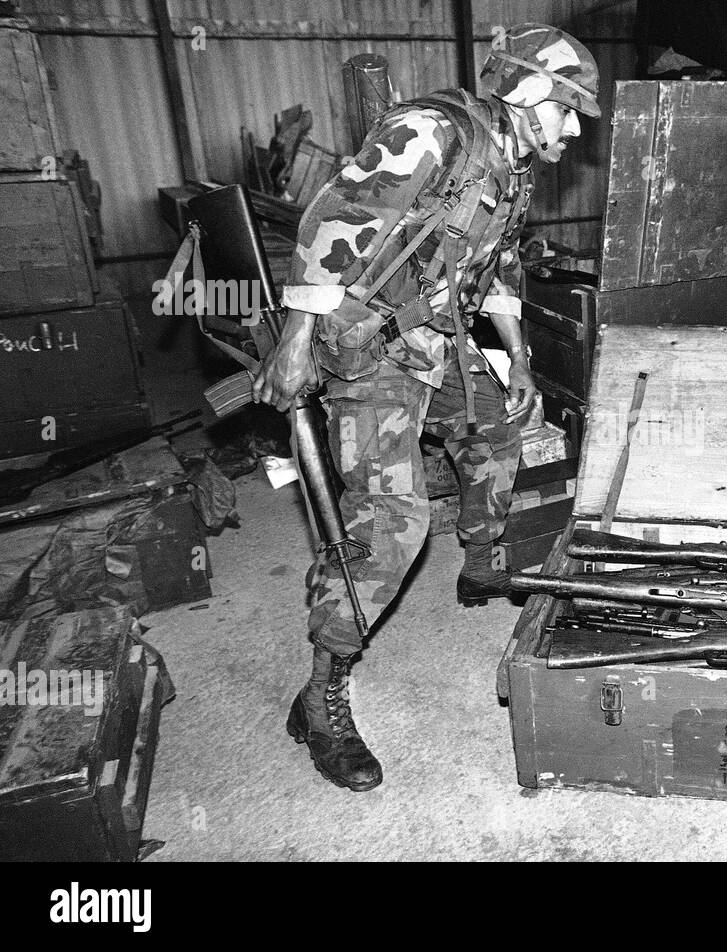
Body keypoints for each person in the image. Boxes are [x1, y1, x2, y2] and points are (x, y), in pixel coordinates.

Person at [250, 23, 601, 791]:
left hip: (436, 341)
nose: (574, 131)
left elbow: (498, 268)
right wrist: (296, 338)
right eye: (569, 110)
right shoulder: (430, 132)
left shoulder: (512, 166)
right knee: (393, 525)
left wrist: (520, 362)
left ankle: (479, 560)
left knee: (504, 424)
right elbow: (332, 221)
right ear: (530, 92)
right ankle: (321, 700)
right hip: (371, 349)